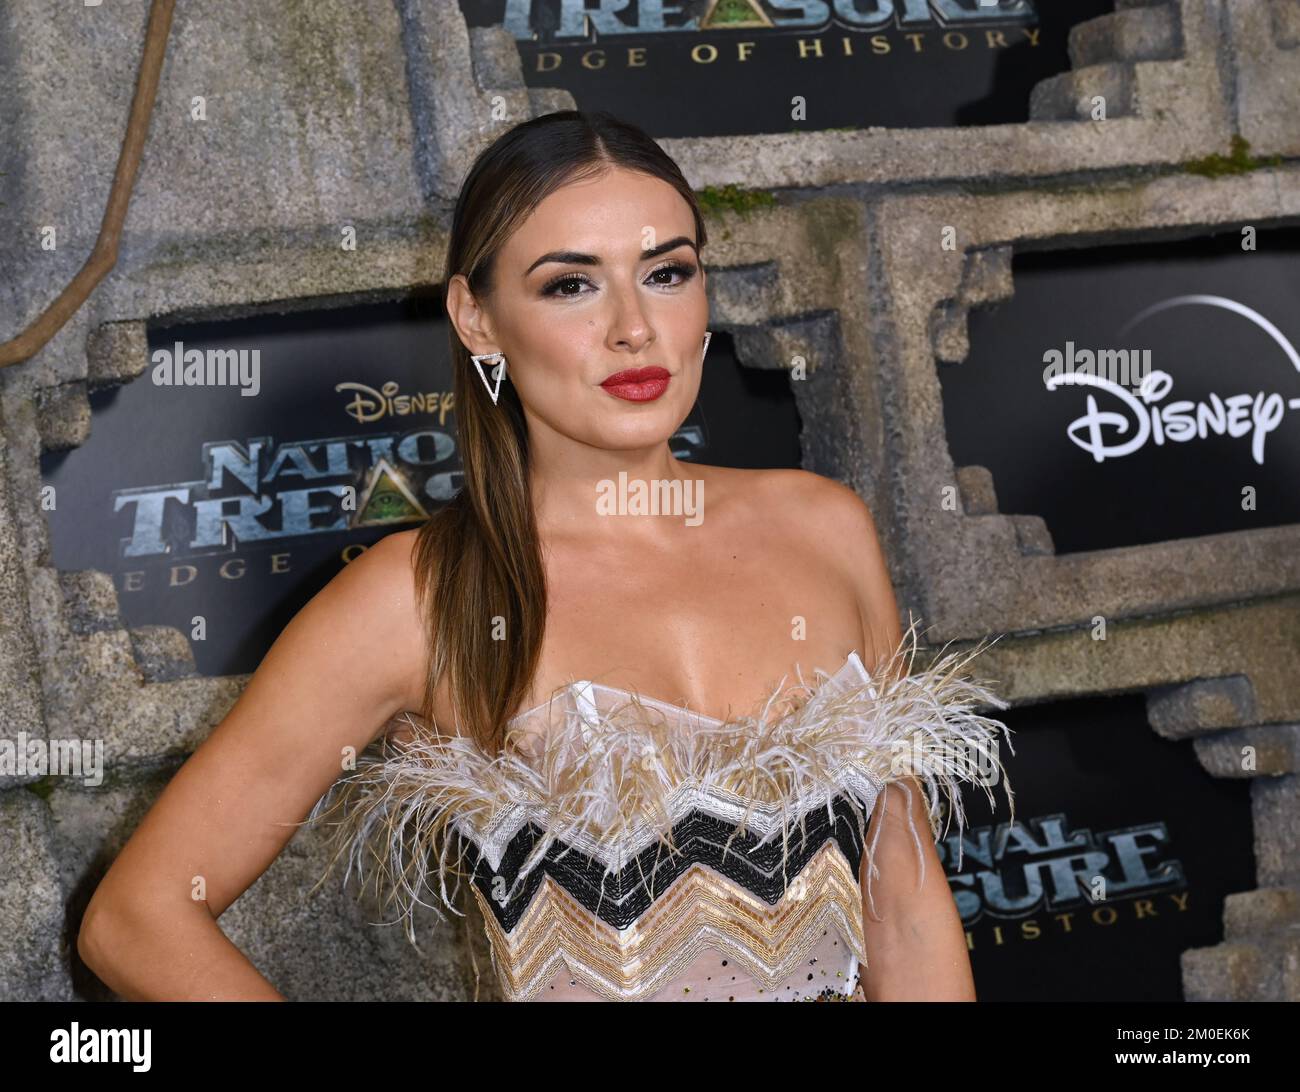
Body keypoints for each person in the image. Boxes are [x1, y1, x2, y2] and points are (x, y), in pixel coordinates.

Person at [77, 110, 1014, 1002]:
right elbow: (135, 920)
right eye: (570, 284)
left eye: (666, 273)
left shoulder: (826, 527)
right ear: (478, 318)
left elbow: (907, 902)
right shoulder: (416, 599)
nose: (632, 329)